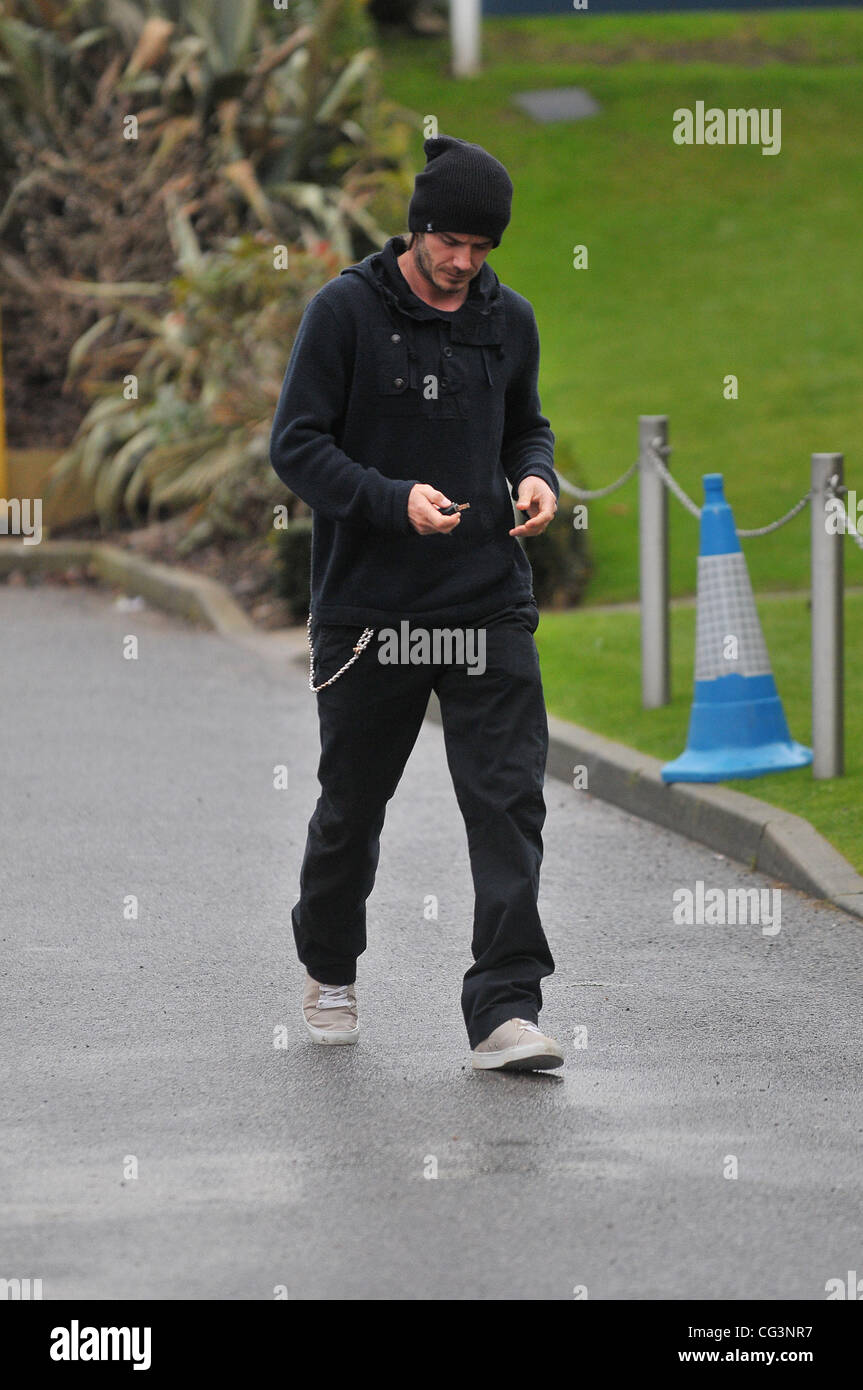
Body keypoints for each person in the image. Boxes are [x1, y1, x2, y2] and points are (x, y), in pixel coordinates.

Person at [269, 134, 564, 1072]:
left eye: (482, 250)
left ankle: (504, 1008)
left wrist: (534, 477)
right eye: (450, 243)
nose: (463, 264)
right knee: (351, 808)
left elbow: (526, 423)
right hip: (369, 613)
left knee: (509, 802)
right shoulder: (345, 313)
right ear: (416, 227)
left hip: (485, 602)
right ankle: (329, 965)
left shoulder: (505, 320)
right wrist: (390, 500)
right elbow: (297, 445)